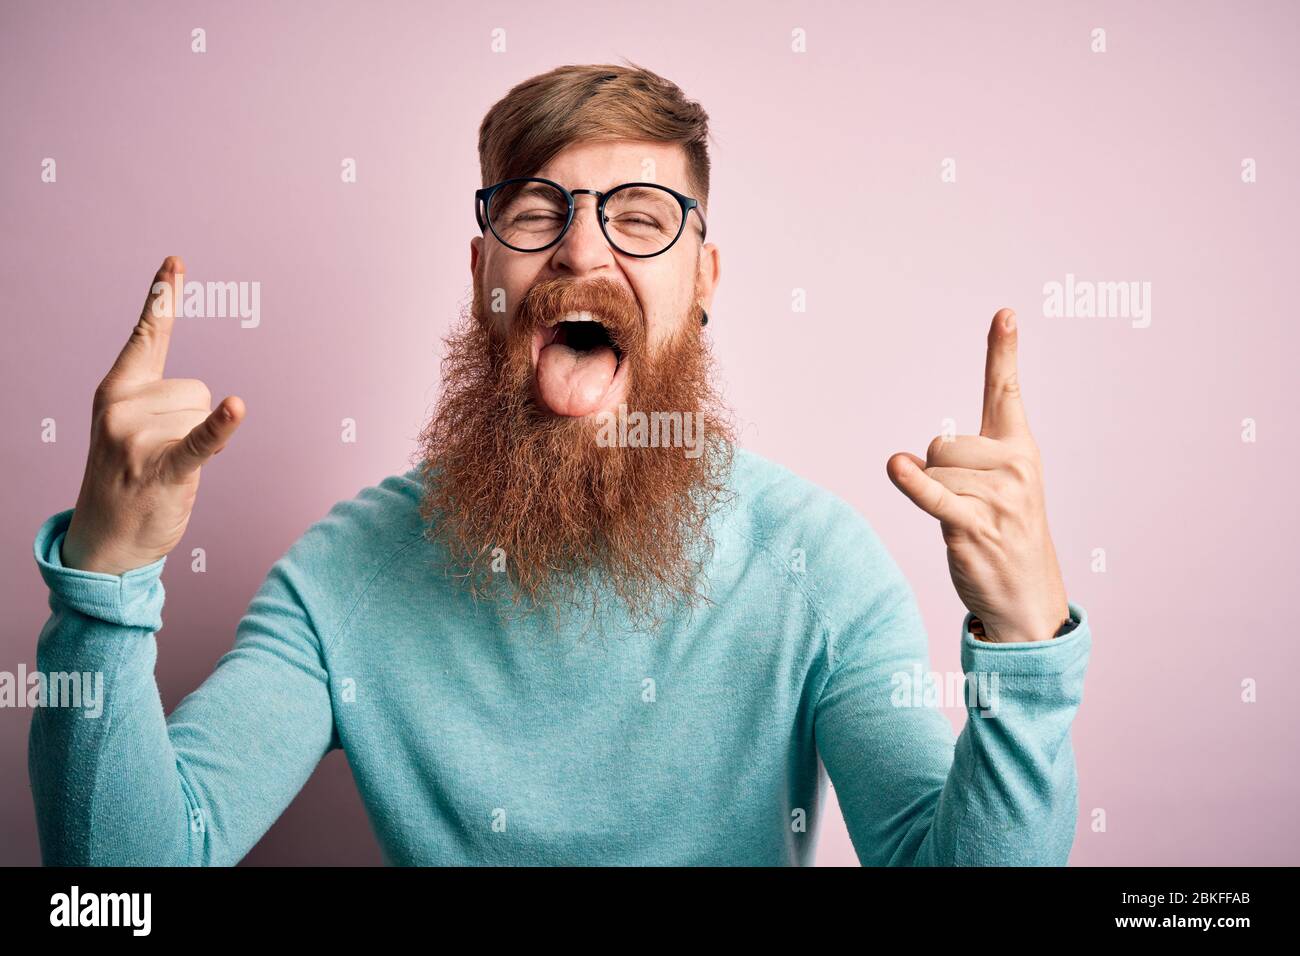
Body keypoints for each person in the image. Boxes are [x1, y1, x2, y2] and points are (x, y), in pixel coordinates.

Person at [29, 62, 1089, 866]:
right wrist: (108, 580)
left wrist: (1024, 646)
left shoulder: (818, 564)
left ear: (704, 279)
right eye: (536, 212)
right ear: (483, 272)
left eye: (639, 216)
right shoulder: (345, 577)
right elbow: (125, 881)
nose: (582, 251)